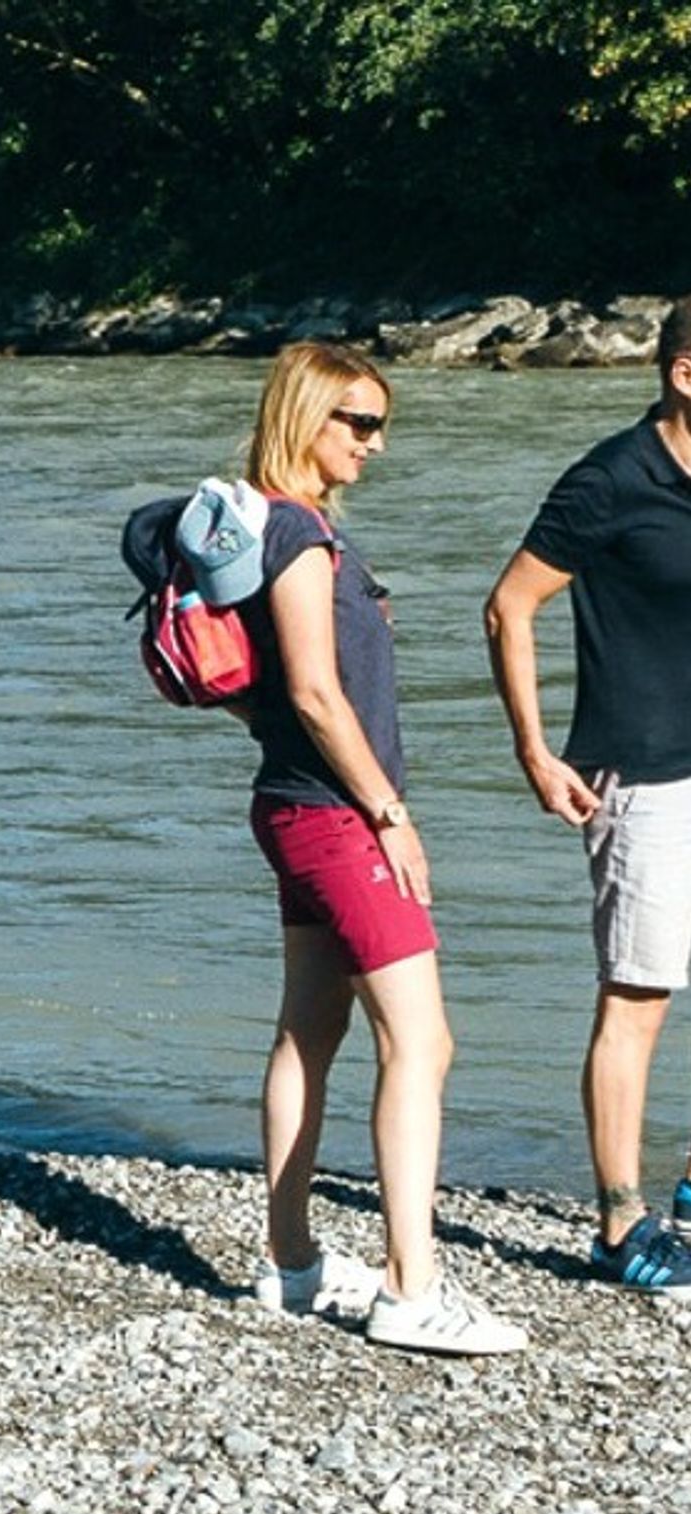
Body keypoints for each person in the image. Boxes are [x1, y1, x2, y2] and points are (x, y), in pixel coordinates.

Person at [226, 342, 525, 1354]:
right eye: (356, 421)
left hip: (292, 806)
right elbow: (312, 689)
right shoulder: (298, 536)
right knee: (422, 1042)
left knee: (311, 1030)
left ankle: (291, 1265)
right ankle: (411, 1287)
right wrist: (389, 812)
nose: (374, 442)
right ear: (304, 415)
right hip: (336, 818)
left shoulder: (267, 528)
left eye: (380, 423)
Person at [484, 295, 691, 1296]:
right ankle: (619, 1223)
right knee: (638, 999)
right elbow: (509, 604)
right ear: (685, 376)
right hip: (643, 772)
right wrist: (533, 750)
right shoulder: (613, 480)